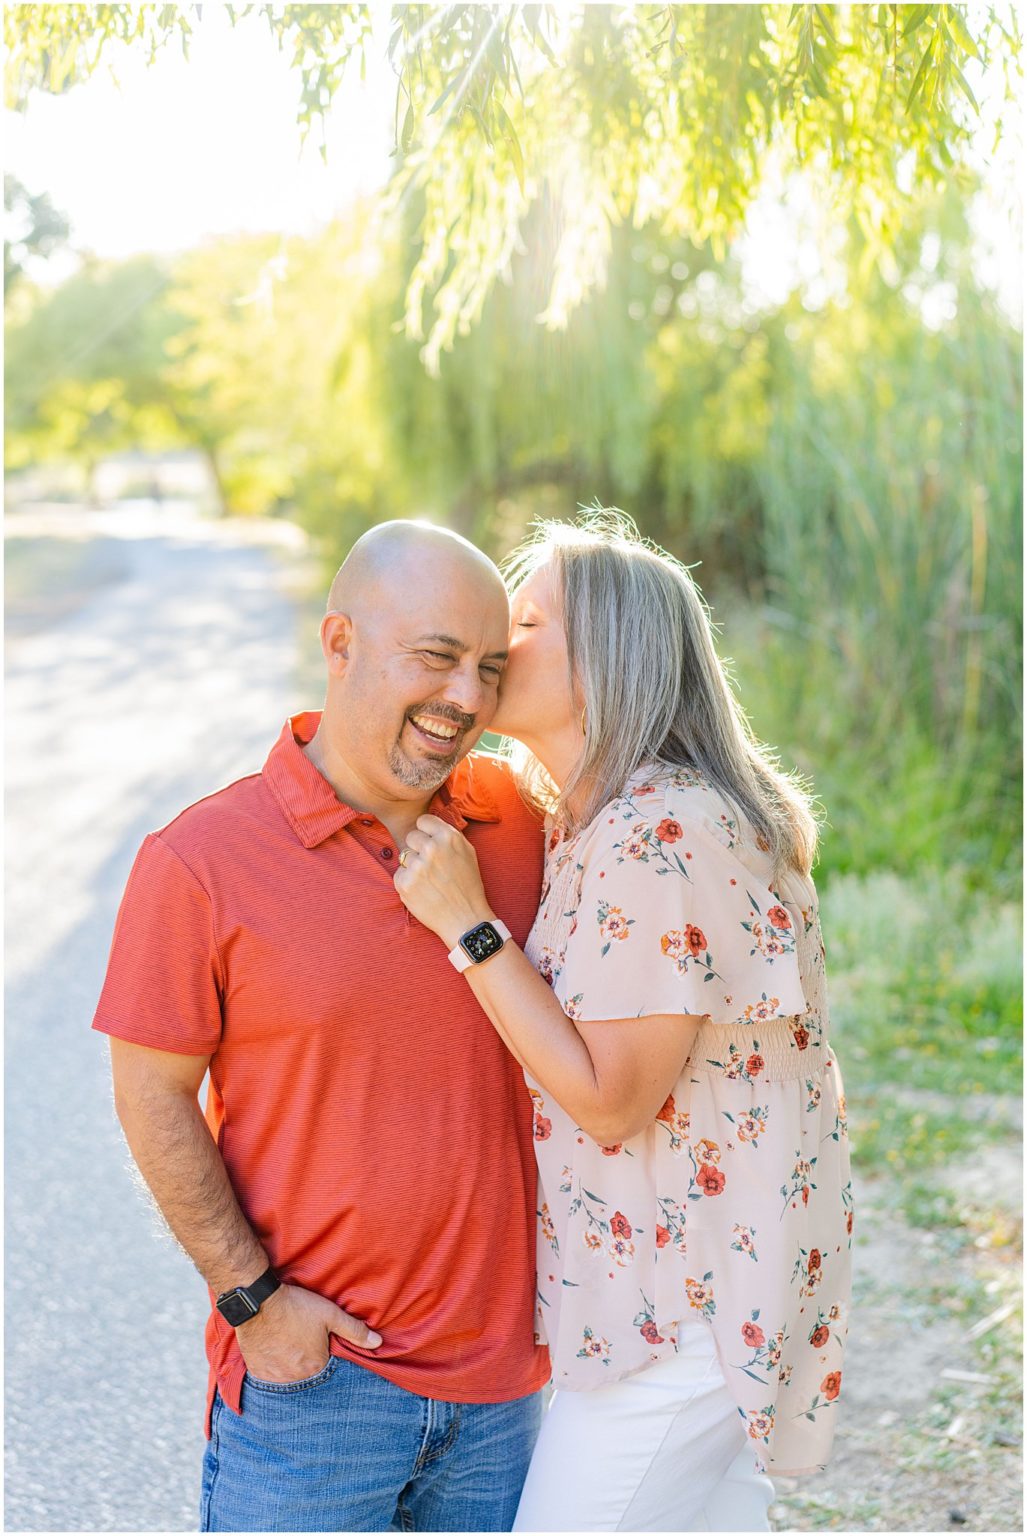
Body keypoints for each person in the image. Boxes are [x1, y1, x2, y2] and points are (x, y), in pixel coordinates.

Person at [395, 509, 854, 1533]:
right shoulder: (603, 821)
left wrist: (467, 925)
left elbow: (611, 1100)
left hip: (684, 1308)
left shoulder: (664, 833)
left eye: (527, 622)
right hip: (672, 1291)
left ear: (610, 650)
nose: (498, 643)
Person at [92, 521, 550, 1534]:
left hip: (507, 1398)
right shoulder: (201, 860)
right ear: (338, 643)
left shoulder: (523, 826)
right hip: (318, 1391)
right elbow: (150, 1096)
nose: (467, 699)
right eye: (434, 657)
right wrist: (251, 1300)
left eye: (488, 668)